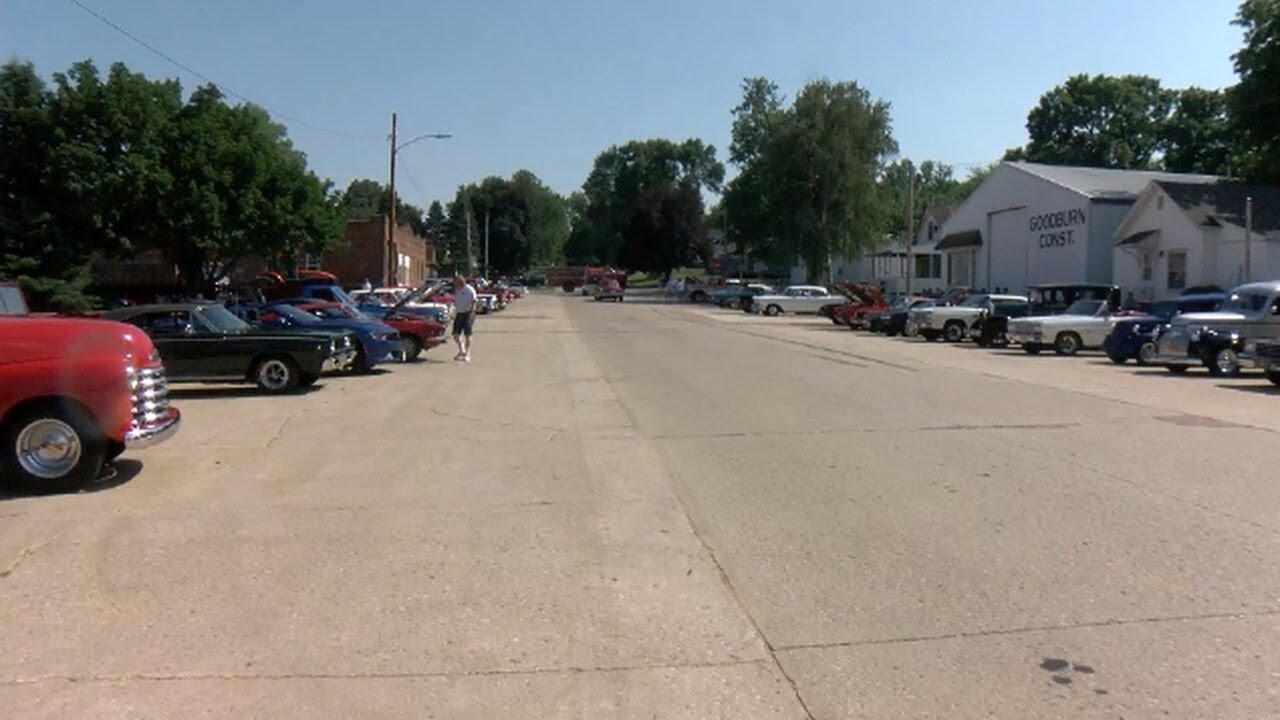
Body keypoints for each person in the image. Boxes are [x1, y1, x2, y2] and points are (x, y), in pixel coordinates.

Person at [451, 275, 478, 362]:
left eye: (455, 282)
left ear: (460, 281)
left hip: (468, 313)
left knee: (467, 334)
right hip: (459, 313)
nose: (454, 284)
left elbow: (474, 301)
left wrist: (471, 313)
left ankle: (467, 353)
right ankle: (461, 350)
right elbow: (456, 302)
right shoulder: (457, 290)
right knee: (455, 334)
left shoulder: (469, 289)